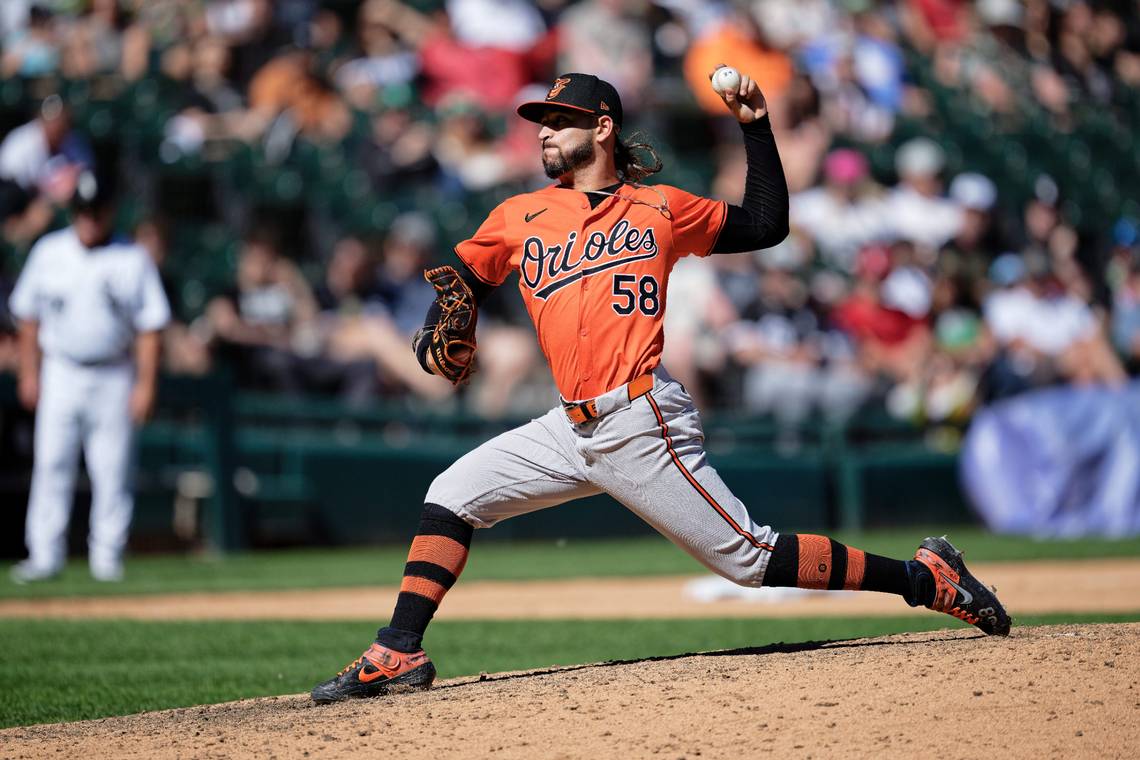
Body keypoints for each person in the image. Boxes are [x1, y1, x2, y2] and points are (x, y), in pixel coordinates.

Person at [310, 70, 1010, 703]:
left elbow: (767, 224)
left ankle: (926, 578)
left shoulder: (660, 208)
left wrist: (755, 126)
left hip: (640, 417)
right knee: (452, 493)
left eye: (560, 120)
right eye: (542, 121)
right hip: (568, 426)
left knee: (749, 558)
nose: (545, 132)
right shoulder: (518, 215)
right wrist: (441, 319)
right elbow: (462, 279)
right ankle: (398, 649)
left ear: (602, 127)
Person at [7, 170, 171, 583]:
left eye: (96, 210)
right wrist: (29, 373)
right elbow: (27, 316)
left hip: (113, 372)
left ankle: (107, 557)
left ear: (110, 211)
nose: (89, 218)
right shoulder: (50, 251)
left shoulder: (131, 257)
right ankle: (44, 554)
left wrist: (146, 384)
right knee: (51, 463)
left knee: (112, 468)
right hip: (61, 370)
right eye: (82, 210)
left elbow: (151, 326)